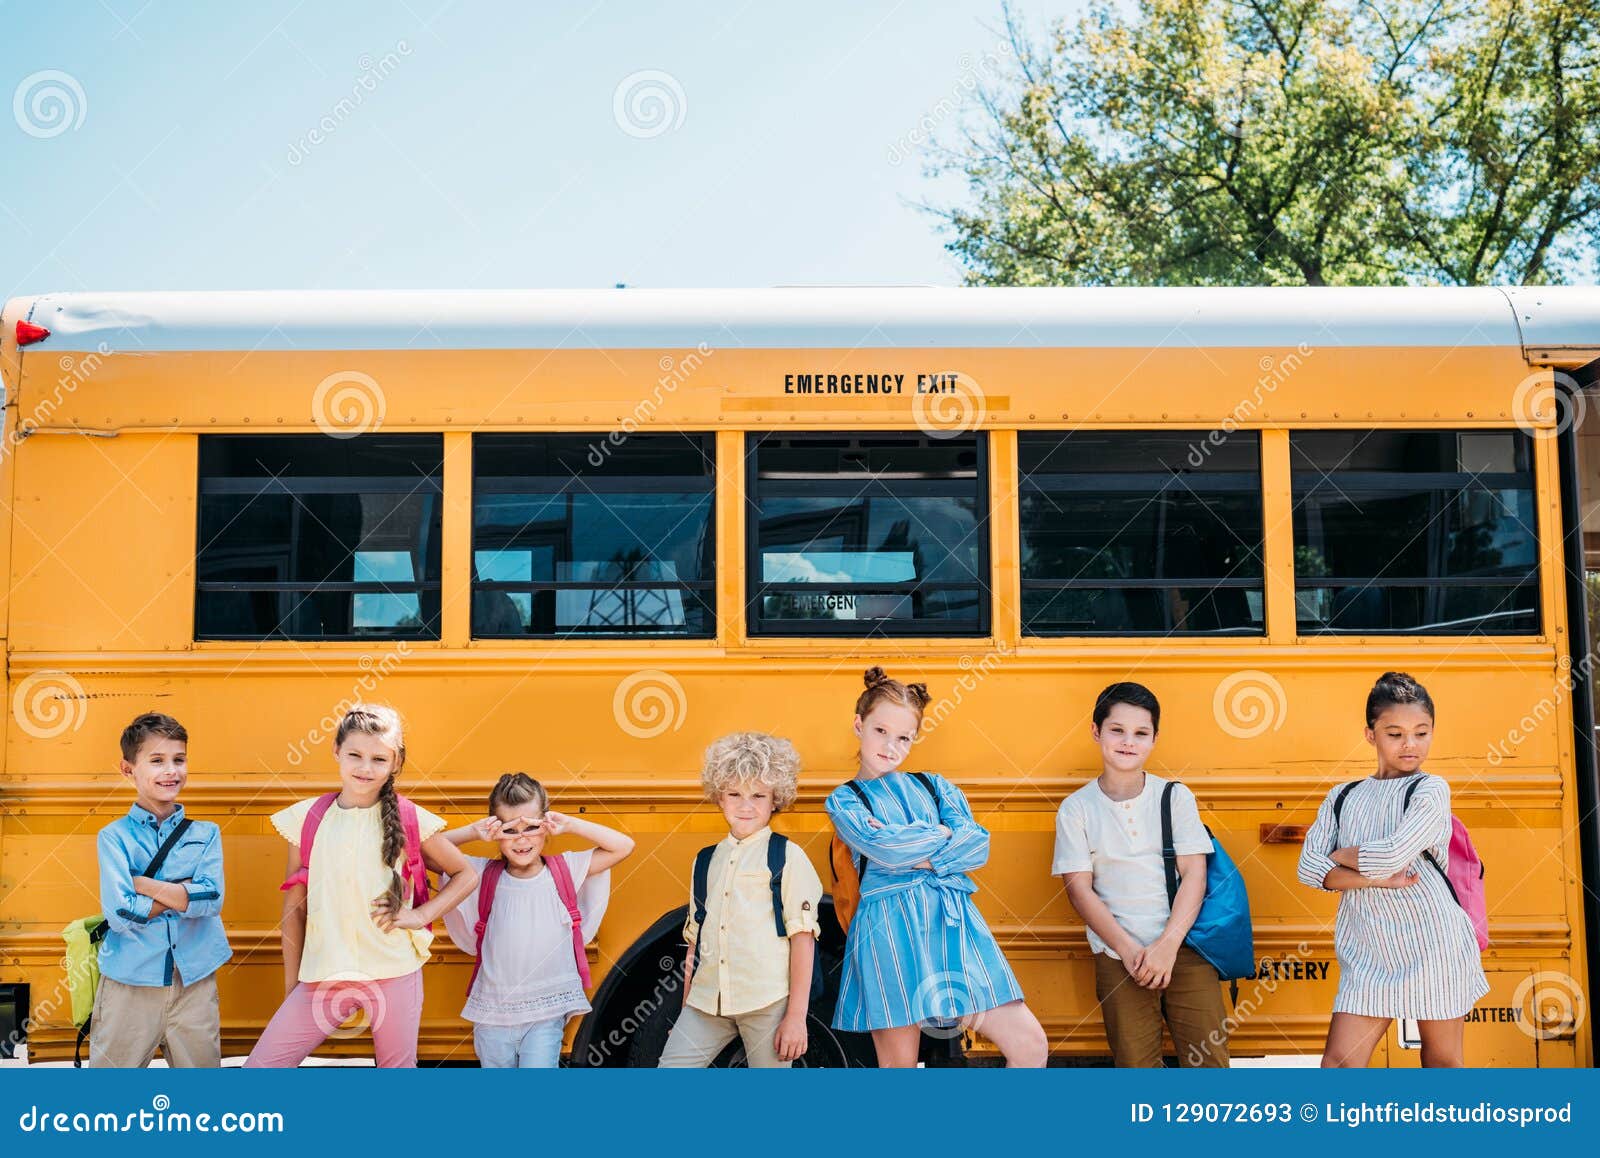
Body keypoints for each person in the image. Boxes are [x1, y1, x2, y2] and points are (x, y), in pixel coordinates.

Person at [827, 667, 1047, 1068]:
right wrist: (943, 836)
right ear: (859, 725)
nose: (890, 746)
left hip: (953, 925)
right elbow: (884, 850)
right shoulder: (845, 799)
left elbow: (978, 845)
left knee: (1030, 1044)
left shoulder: (934, 785)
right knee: (899, 1069)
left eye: (903, 737)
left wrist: (910, 844)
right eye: (880, 731)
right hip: (887, 931)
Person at [245, 703, 477, 1068]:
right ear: (336, 751)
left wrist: (420, 916)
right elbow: (295, 909)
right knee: (263, 1068)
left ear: (396, 763)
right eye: (355, 754)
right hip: (322, 976)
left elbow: (466, 874)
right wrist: (293, 985)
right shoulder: (307, 818)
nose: (365, 768)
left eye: (379, 759)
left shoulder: (407, 817)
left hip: (394, 972)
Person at [1297, 671, 1487, 1068]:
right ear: (1371, 735)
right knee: (1339, 1064)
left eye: (1422, 733)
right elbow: (1307, 868)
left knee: (1442, 1063)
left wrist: (1339, 854)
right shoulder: (1343, 795)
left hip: (1434, 944)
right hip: (1367, 949)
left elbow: (1392, 855)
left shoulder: (1431, 789)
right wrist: (1377, 879)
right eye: (1395, 733)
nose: (1410, 745)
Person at [1053, 682, 1229, 1067]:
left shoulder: (1173, 796)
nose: (1128, 742)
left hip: (1184, 948)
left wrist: (1166, 946)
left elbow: (1194, 875)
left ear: (1154, 739)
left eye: (1140, 733)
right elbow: (1079, 890)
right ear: (1096, 731)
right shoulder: (1076, 808)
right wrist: (1129, 950)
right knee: (1135, 1065)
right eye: (1117, 730)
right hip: (1117, 955)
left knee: (1209, 1063)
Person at [438, 773, 634, 1067]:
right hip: (492, 1015)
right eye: (509, 829)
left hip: (546, 1012)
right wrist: (474, 831)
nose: (522, 839)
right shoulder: (479, 874)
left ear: (546, 826)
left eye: (531, 826)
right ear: (495, 830)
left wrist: (570, 824)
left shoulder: (565, 869)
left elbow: (623, 846)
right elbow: (428, 851)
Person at [660, 732, 823, 1068]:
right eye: (734, 794)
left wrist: (796, 1017)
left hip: (767, 1003)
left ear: (775, 798)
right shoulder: (705, 860)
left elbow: (803, 939)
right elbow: (696, 939)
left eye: (758, 795)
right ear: (719, 797)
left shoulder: (786, 856)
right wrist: (686, 1006)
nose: (745, 806)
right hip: (707, 1004)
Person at [90, 712, 230, 1067]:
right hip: (129, 986)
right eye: (157, 761)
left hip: (194, 984)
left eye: (179, 760)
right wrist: (182, 893)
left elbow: (211, 899)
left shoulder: (206, 834)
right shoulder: (114, 837)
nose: (171, 770)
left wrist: (144, 885)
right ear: (128, 769)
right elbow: (121, 913)